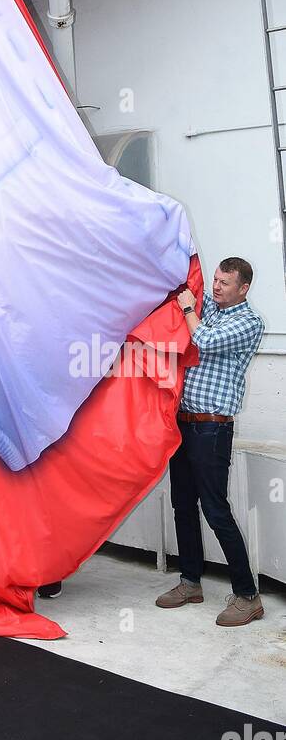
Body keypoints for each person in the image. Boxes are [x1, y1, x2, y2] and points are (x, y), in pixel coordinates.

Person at [155, 257, 264, 627]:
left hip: (212, 429)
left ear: (243, 288)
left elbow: (202, 340)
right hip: (184, 424)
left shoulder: (249, 322)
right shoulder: (210, 309)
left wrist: (188, 306)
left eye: (225, 283)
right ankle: (190, 582)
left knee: (215, 510)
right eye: (215, 280)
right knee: (182, 505)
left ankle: (248, 595)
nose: (216, 287)